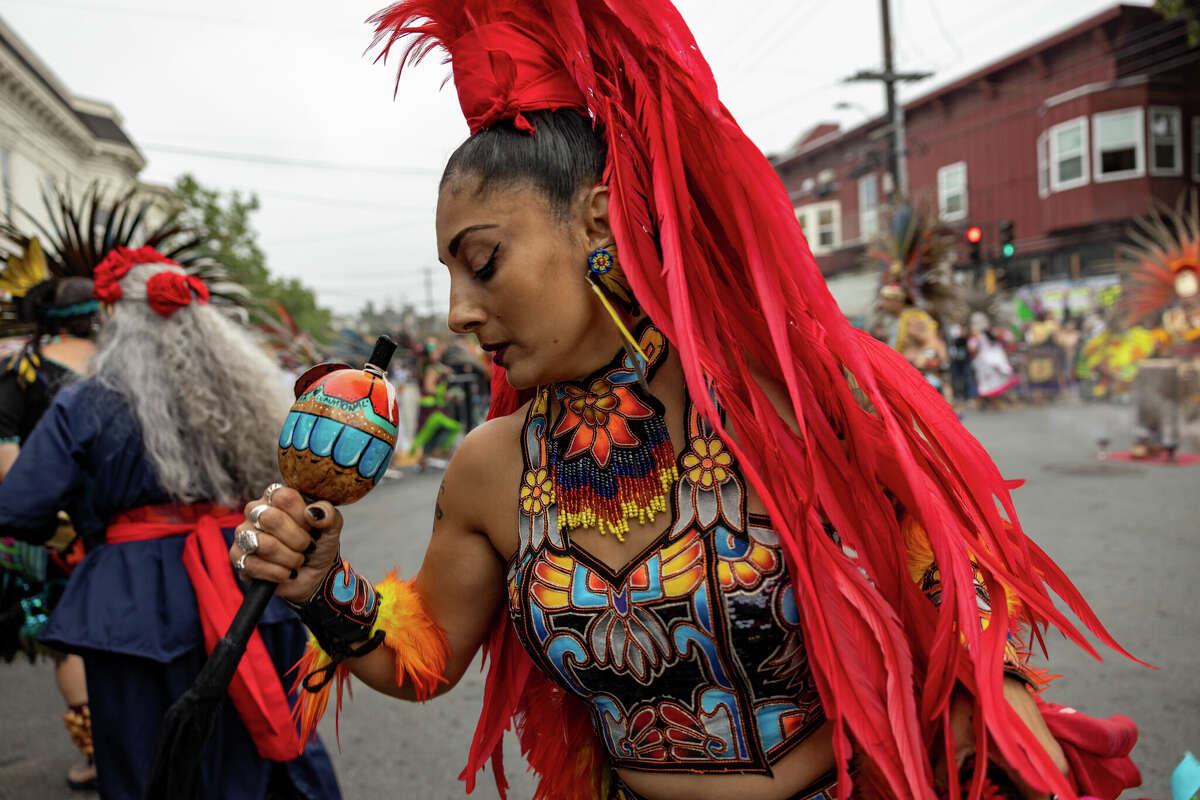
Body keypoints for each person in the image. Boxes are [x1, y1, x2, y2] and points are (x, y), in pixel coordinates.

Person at [234, 2, 1142, 799]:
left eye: (482, 262)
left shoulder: (788, 403)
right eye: (448, 276)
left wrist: (1004, 714)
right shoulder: (488, 467)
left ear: (598, 221)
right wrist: (321, 584)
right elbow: (424, 655)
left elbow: (945, 588)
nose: (458, 312)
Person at [0, 246, 341, 800]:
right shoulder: (250, 395)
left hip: (132, 604)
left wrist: (81, 526)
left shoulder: (86, 403)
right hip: (252, 581)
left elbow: (18, 507)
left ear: (117, 321)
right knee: (259, 758)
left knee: (146, 765)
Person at [0, 254, 101, 790]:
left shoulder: (22, 371)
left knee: (69, 638)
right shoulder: (126, 366)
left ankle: (97, 752)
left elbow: (8, 466)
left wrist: (50, 522)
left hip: (55, 534)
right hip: (134, 530)